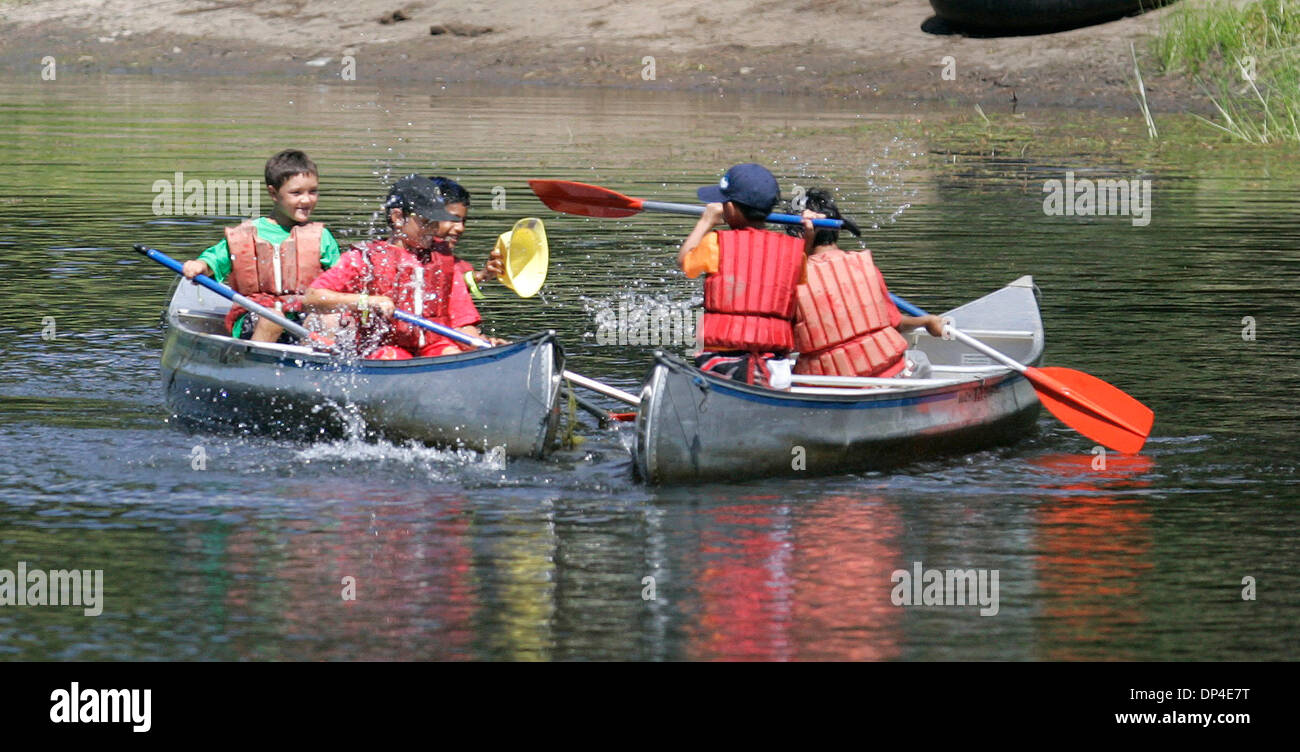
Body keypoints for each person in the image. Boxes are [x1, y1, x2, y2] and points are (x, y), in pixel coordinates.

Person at [303, 174, 505, 359]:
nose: (434, 230)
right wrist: (367, 301)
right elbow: (312, 297)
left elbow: (462, 323)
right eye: (427, 222)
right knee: (392, 357)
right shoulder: (364, 258)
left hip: (433, 348)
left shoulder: (443, 260)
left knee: (450, 352)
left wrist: (483, 345)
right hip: (384, 350)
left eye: (437, 222)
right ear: (398, 217)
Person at [181, 149, 341, 342]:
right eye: (296, 193)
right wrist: (200, 265)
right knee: (273, 318)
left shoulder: (322, 237)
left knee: (331, 319)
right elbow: (213, 260)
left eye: (313, 191)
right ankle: (252, 365)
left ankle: (314, 365)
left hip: (302, 315)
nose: (306, 200)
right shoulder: (247, 234)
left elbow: (342, 282)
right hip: (256, 316)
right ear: (273, 193)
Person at [787, 188, 945, 379]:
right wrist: (927, 320)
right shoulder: (865, 267)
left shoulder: (791, 279)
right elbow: (894, 323)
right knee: (918, 358)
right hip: (887, 376)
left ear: (798, 234)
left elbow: (784, 343)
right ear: (837, 229)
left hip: (827, 384)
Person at [677, 163, 814, 385]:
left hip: (722, 365)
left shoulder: (716, 243)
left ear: (729, 209)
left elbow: (684, 261)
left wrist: (706, 221)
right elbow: (793, 278)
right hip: (775, 368)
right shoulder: (794, 250)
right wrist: (807, 241)